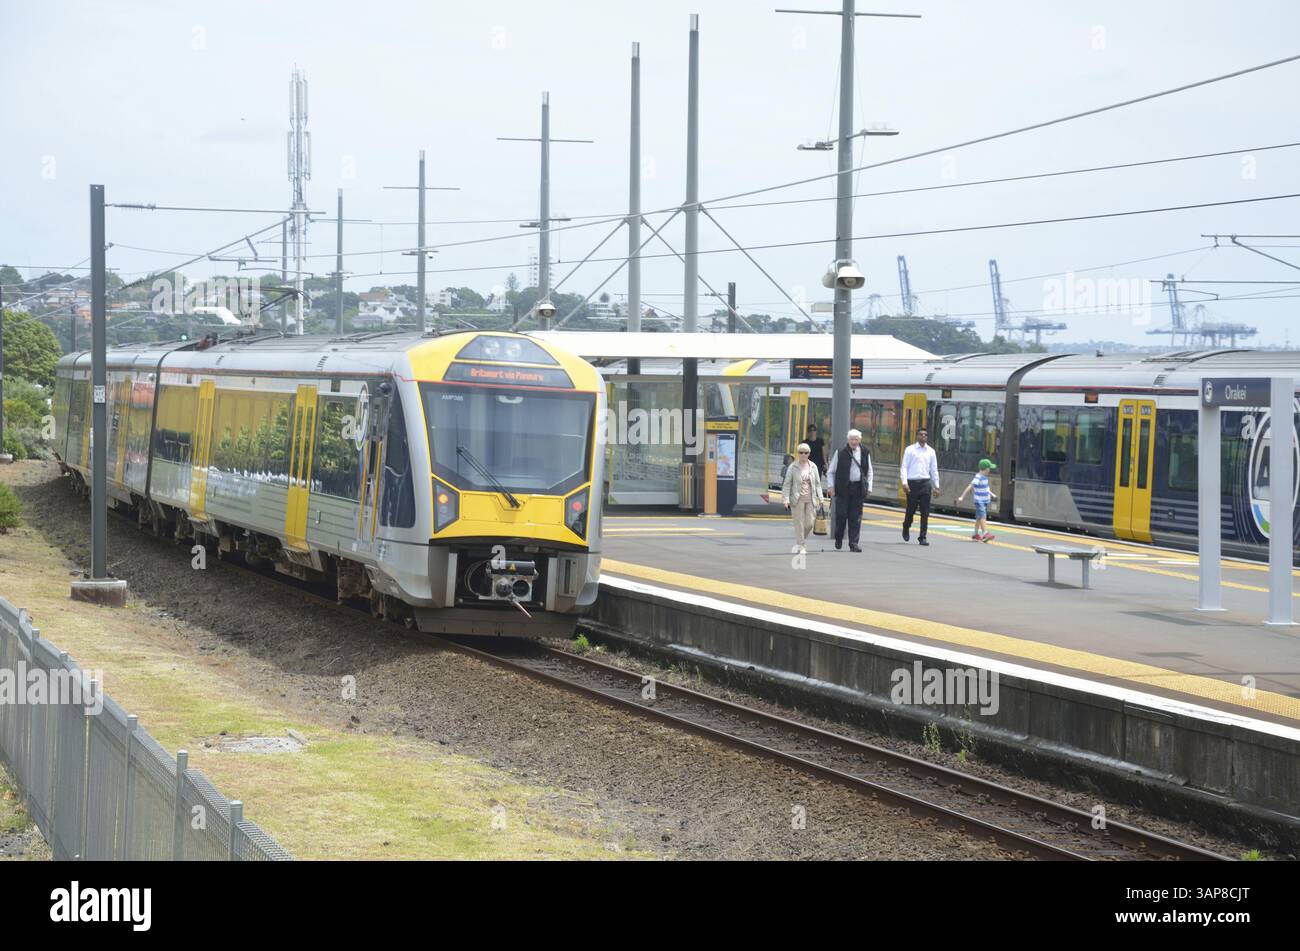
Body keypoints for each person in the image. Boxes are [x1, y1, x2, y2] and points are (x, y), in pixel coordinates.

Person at [826, 428, 872, 552]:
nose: (854, 441)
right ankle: (839, 537)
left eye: (856, 439)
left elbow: (869, 472)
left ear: (860, 440)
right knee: (841, 516)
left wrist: (869, 487)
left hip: (858, 488)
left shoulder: (865, 452)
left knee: (855, 517)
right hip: (843, 489)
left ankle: (854, 543)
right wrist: (831, 487)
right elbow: (831, 472)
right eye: (852, 439)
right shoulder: (840, 452)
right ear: (848, 440)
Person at [781, 442, 826, 555]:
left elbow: (817, 484)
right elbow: (787, 484)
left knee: (810, 523)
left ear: (809, 454)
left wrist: (821, 498)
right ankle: (801, 545)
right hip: (797, 499)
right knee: (799, 523)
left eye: (806, 453)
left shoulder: (813, 466)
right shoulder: (793, 467)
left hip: (811, 498)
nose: (803, 455)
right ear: (798, 453)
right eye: (801, 453)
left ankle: (800, 541)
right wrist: (786, 499)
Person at [900, 427, 940, 546]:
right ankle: (906, 526)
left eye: (925, 435)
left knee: (925, 511)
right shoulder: (910, 450)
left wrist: (936, 486)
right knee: (910, 510)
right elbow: (904, 467)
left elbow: (934, 469)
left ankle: (922, 536)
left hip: (925, 483)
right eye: (921, 434)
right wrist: (904, 483)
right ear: (917, 436)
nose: (923, 436)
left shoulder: (931, 451)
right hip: (912, 483)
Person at [957, 457, 998, 542]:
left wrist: (992, 494)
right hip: (979, 501)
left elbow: (986, 489)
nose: (990, 470)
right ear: (986, 469)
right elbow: (970, 486)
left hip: (985, 500)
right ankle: (985, 533)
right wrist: (962, 496)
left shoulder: (984, 478)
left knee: (979, 518)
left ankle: (975, 534)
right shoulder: (978, 477)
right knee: (983, 516)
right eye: (989, 468)